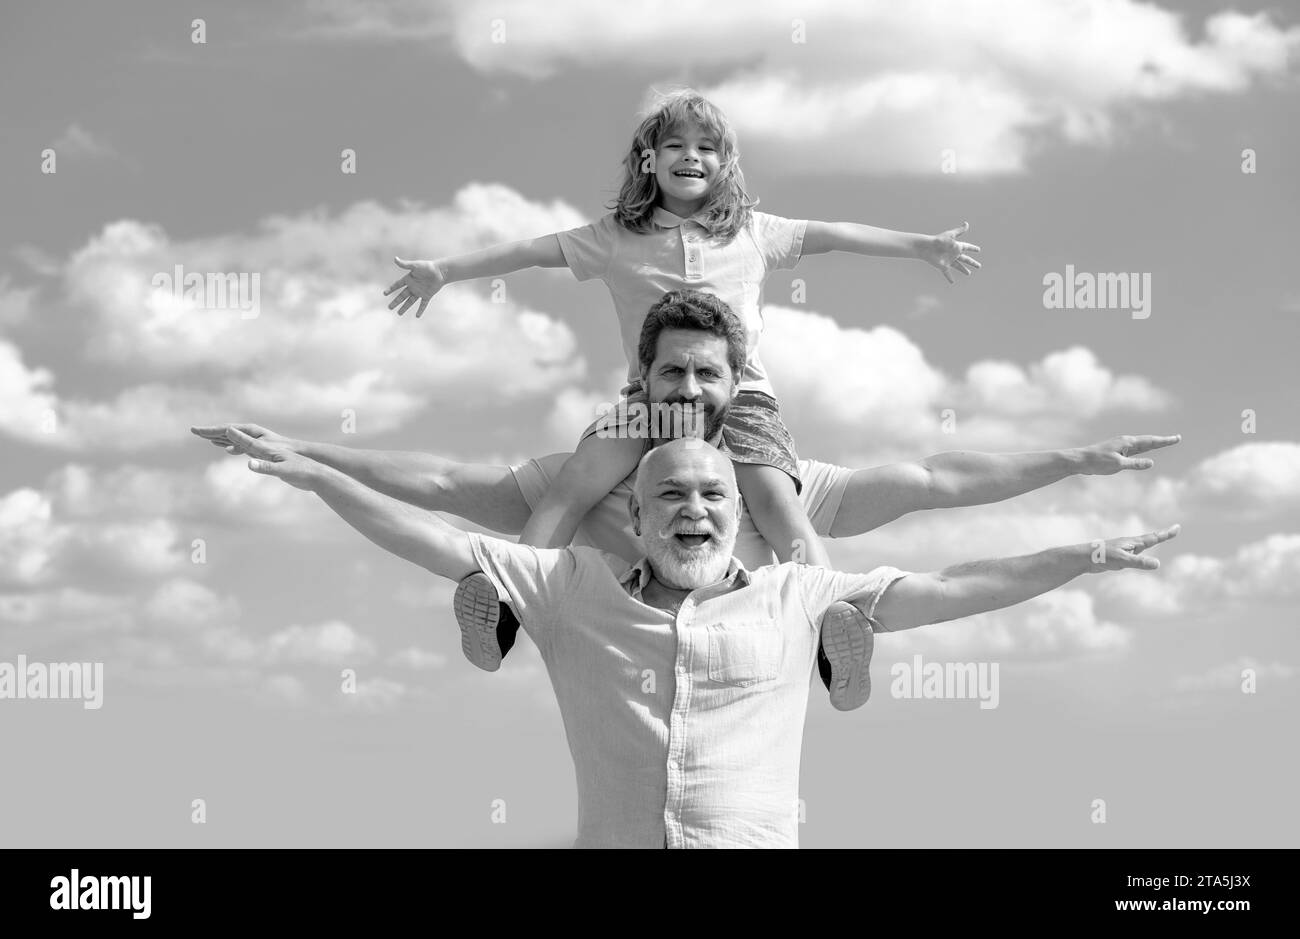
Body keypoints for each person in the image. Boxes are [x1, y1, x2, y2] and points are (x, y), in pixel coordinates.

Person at [206, 427, 1177, 848]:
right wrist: (316, 474)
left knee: (860, 609)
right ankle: (488, 630)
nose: (695, 509)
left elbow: (955, 581)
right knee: (483, 571)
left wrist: (1083, 553)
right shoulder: (572, 585)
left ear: (738, 511)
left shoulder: (798, 592)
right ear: (634, 511)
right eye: (670, 493)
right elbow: (433, 532)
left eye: (714, 494)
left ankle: (849, 667)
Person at [194, 296, 1180, 710]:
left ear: (732, 379)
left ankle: (834, 642)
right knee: (531, 532)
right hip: (617, 656)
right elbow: (454, 486)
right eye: (669, 375)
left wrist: (1079, 459)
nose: (685, 393)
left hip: (747, 663)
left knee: (806, 556)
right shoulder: (608, 451)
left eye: (705, 376)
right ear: (644, 377)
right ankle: (498, 621)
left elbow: (935, 482)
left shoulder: (762, 459)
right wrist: (310, 452)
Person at [382, 88, 982, 700]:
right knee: (578, 481)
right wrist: (447, 270)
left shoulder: (752, 232)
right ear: (648, 160)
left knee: (776, 499)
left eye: (706, 147)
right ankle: (507, 599)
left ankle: (832, 627)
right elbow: (531, 253)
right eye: (674, 145)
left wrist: (922, 246)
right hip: (652, 400)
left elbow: (834, 235)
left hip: (740, 399)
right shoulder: (615, 237)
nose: (690, 156)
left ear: (726, 164)